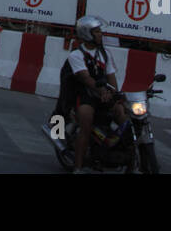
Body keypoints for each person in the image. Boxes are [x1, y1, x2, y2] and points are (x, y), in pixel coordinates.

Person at [46, 15, 129, 173]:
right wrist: (101, 91)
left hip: (103, 95)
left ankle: (126, 158)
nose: (100, 34)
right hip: (85, 96)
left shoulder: (105, 54)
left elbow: (111, 77)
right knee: (86, 121)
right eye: (96, 31)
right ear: (86, 34)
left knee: (123, 115)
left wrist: (114, 94)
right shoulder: (76, 56)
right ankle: (77, 167)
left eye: (100, 31)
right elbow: (86, 78)